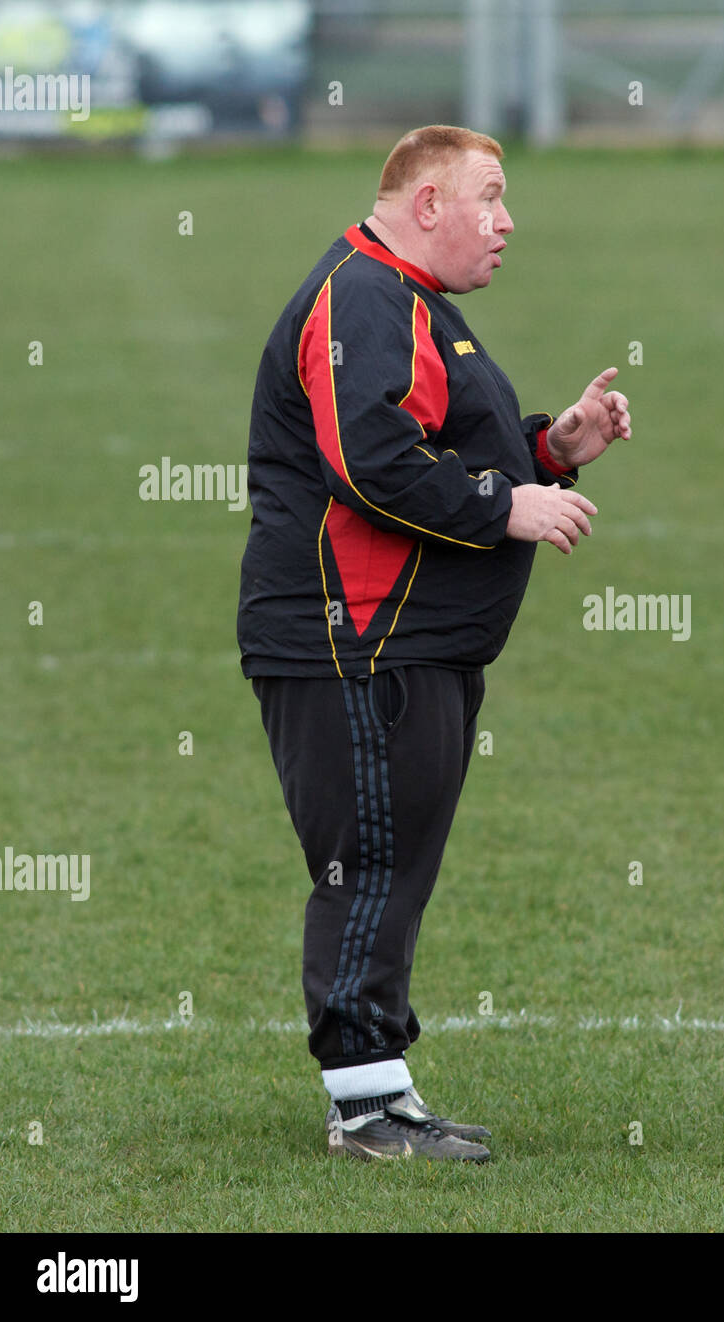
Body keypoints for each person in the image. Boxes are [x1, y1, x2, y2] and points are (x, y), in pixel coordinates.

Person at [238, 125, 631, 1162]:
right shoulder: (368, 295)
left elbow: (438, 443)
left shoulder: (409, 301)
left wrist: (551, 448)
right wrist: (509, 505)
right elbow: (370, 459)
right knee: (368, 862)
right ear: (424, 205)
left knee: (392, 860)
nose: (507, 223)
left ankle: (379, 1093)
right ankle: (366, 1107)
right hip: (357, 642)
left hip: (402, 644)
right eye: (490, 199)